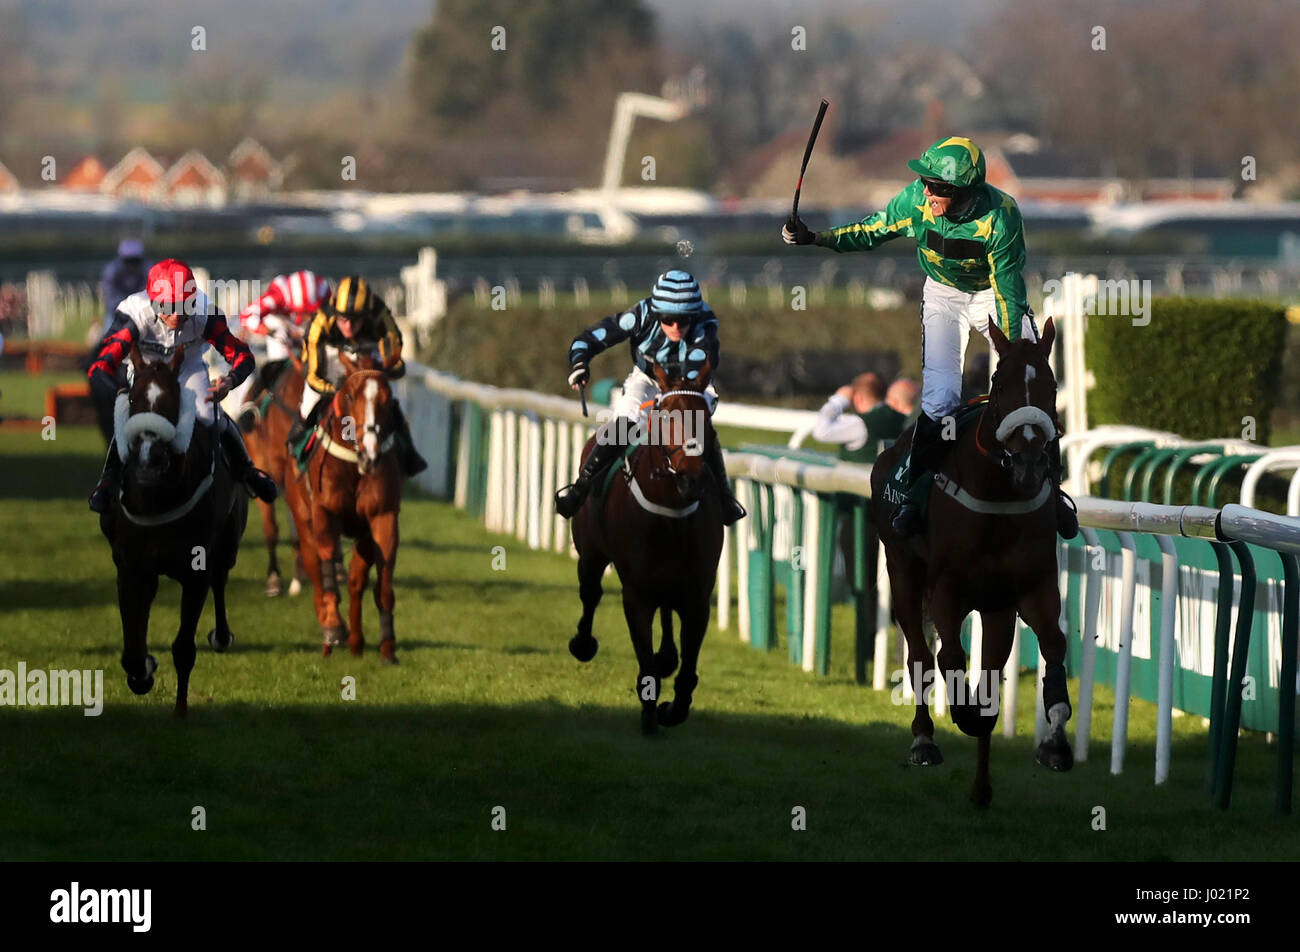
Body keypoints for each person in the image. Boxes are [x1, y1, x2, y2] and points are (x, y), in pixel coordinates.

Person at [783, 135, 1077, 539]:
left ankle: (1055, 493)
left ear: (964, 192)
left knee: (1032, 383)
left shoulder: (1002, 215)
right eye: (925, 182)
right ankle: (916, 495)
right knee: (941, 402)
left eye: (936, 187)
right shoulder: (914, 203)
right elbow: (872, 231)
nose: (926, 191)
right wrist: (817, 238)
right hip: (943, 295)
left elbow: (1009, 293)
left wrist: (1014, 354)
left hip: (992, 293)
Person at [554, 270, 745, 525]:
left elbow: (696, 367)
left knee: (698, 427)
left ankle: (724, 498)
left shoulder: (706, 323)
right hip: (647, 380)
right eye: (668, 320)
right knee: (626, 423)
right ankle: (580, 489)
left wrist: (671, 406)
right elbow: (592, 338)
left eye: (683, 320)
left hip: (691, 384)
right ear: (657, 313)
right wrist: (580, 363)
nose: (676, 327)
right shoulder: (641, 314)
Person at [87, 258, 278, 512]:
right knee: (127, 415)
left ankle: (247, 470)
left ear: (194, 299)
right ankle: (108, 480)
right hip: (146, 371)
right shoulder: (134, 313)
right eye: (168, 306)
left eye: (184, 305)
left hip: (187, 369)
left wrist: (229, 382)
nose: (177, 315)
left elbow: (243, 357)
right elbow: (99, 367)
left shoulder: (205, 312)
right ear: (152, 301)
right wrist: (119, 394)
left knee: (208, 413)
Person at [286, 275, 427, 477]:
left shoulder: (380, 314)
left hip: (367, 356)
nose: (349, 328)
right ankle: (297, 444)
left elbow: (396, 362)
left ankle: (408, 452)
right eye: (343, 320)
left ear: (366, 315)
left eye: (355, 321)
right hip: (330, 355)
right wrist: (337, 390)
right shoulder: (321, 321)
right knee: (310, 400)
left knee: (387, 400)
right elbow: (314, 377)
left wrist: (387, 369)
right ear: (336, 314)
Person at [232, 270, 331, 429]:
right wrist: (269, 331)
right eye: (303, 312)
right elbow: (247, 316)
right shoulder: (279, 294)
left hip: (310, 330)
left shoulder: (324, 291)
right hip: (281, 328)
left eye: (309, 312)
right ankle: (251, 405)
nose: (305, 315)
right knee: (278, 357)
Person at [99, 239, 151, 340]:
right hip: (117, 309)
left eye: (135, 260)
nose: (132, 264)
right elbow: (109, 294)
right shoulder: (112, 270)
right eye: (129, 260)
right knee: (109, 332)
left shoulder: (148, 269)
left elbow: (150, 292)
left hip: (141, 310)